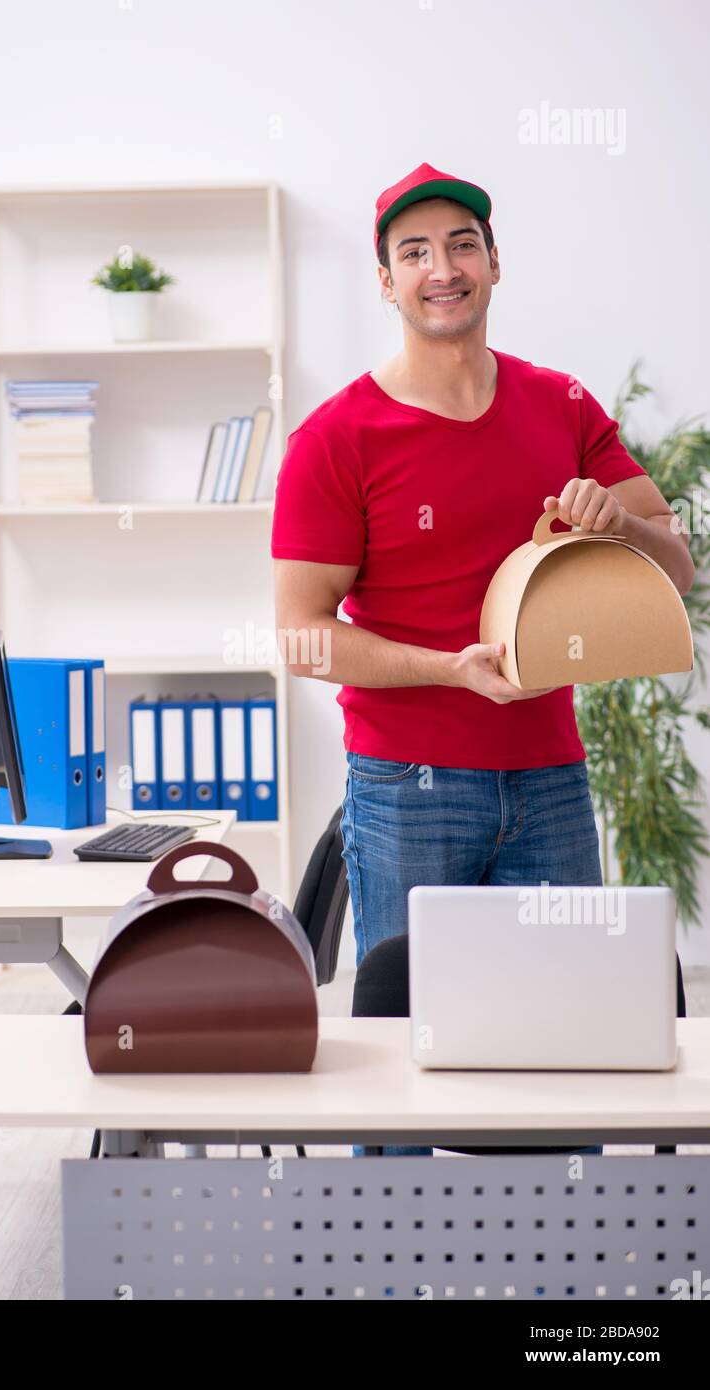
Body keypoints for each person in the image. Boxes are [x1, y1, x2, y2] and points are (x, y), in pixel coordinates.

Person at [271, 161, 694, 1157]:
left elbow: (677, 563)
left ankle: (556, 1303)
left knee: (567, 1068)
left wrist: (619, 527)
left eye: (462, 243)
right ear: (385, 282)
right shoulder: (338, 440)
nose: (442, 268)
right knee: (403, 1084)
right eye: (413, 252)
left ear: (496, 262)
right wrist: (447, 667)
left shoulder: (562, 405)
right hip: (408, 791)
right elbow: (298, 632)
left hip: (549, 783)